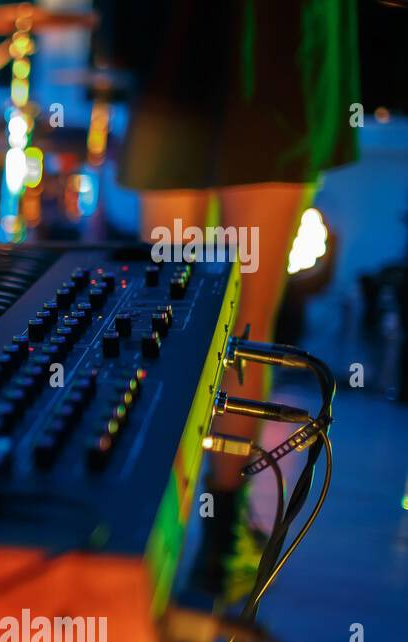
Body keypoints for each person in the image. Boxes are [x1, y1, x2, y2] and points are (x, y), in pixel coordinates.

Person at [100, 0, 359, 598]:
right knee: (166, 317)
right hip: (181, 44)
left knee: (237, 326)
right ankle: (161, 533)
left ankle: (219, 533)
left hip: (268, 42)